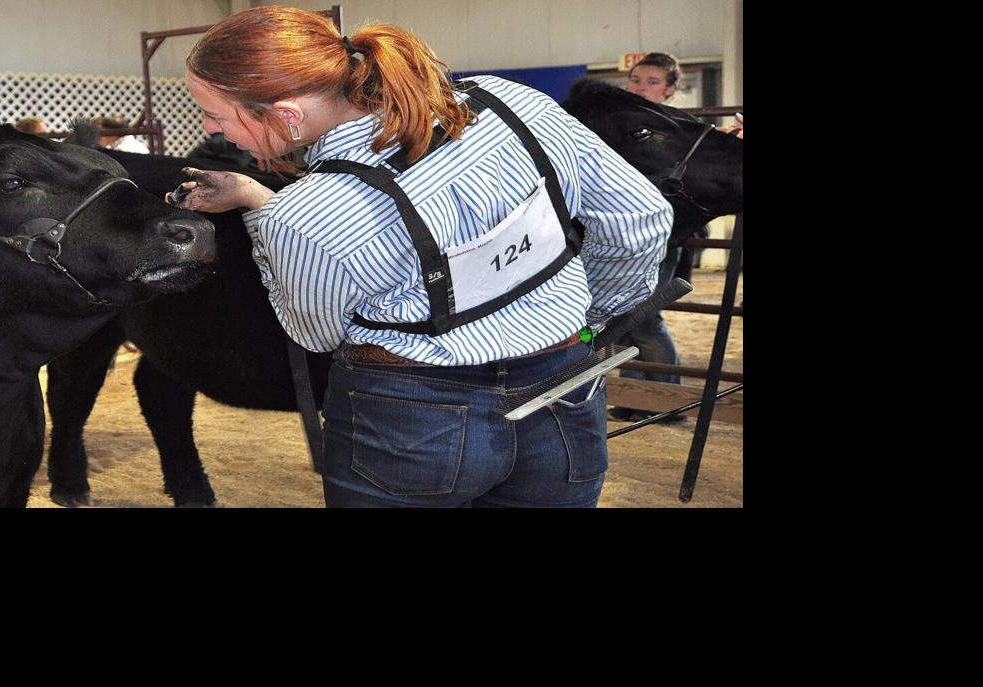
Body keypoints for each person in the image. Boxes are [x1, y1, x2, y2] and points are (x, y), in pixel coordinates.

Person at [171, 7, 670, 507]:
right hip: (566, 393)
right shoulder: (513, 104)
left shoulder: (305, 215)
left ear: (287, 115)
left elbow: (315, 333)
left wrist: (267, 214)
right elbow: (640, 219)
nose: (214, 130)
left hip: (412, 422)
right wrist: (587, 322)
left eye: (217, 114)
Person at [611, 51, 693, 420]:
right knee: (623, 318)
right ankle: (634, 398)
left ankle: (668, 401)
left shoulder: (680, 130)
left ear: (671, 90)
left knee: (644, 318)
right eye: (635, 80)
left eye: (653, 82)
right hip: (620, 236)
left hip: (663, 235)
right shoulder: (617, 125)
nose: (641, 88)